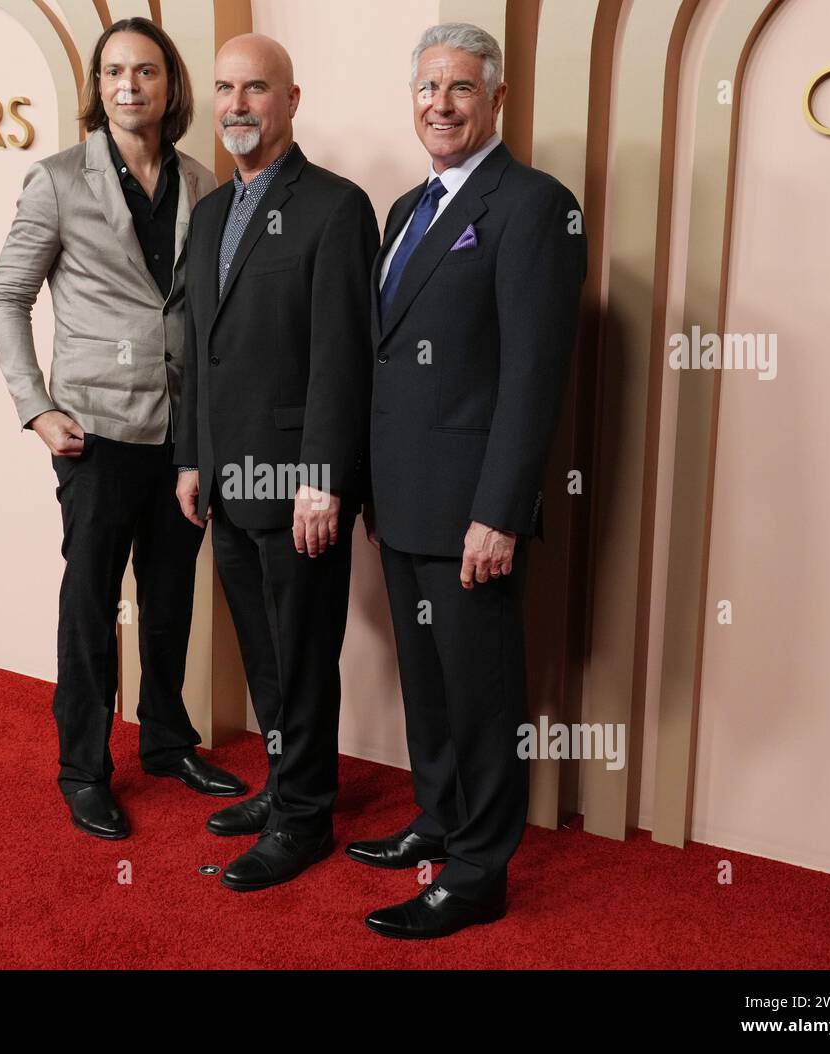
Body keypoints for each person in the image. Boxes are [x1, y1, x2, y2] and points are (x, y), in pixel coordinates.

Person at [349, 22, 587, 938]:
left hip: (471, 513)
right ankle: (440, 821)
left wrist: (500, 512)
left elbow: (533, 375)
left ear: (495, 99)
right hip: (402, 504)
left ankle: (480, 870)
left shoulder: (532, 205)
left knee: (481, 695)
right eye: (425, 89)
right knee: (429, 684)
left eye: (458, 89)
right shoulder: (408, 205)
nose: (438, 105)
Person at [0, 17, 245, 842]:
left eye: (145, 72)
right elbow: (6, 297)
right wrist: (36, 407)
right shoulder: (57, 181)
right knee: (92, 606)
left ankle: (169, 743)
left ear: (171, 86)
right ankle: (83, 769)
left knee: (170, 601)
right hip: (93, 434)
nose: (129, 85)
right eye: (112, 73)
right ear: (97, 90)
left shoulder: (206, 183)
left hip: (180, 436)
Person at [174, 33, 379, 890]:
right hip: (226, 483)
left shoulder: (337, 207)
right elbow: (197, 348)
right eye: (224, 88)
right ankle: (286, 781)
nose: (237, 105)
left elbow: (344, 359)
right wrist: (192, 460)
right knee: (264, 657)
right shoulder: (214, 211)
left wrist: (325, 480)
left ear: (292, 101)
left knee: (302, 655)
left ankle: (304, 818)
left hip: (299, 488)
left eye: (256, 88)